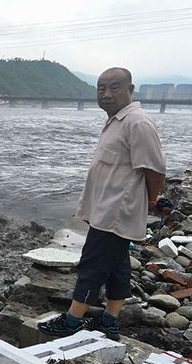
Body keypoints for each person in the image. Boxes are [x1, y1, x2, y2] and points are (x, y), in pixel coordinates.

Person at [38, 67, 167, 340]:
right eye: (101, 89)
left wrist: (152, 200)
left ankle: (73, 320)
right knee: (117, 265)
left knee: (92, 264)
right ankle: (109, 321)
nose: (106, 94)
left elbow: (155, 170)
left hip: (116, 211)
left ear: (131, 90)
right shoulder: (116, 121)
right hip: (108, 209)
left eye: (114, 87)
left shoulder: (137, 123)